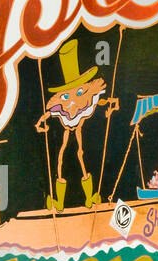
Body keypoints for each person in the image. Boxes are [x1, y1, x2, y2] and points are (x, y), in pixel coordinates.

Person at [36, 38, 118, 211]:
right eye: (66, 95)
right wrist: (40, 124)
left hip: (78, 128)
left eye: (79, 91)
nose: (72, 98)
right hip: (67, 131)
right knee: (60, 159)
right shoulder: (62, 108)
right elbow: (47, 114)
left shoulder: (85, 103)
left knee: (80, 155)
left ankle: (90, 197)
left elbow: (102, 101)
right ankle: (59, 203)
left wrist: (112, 105)